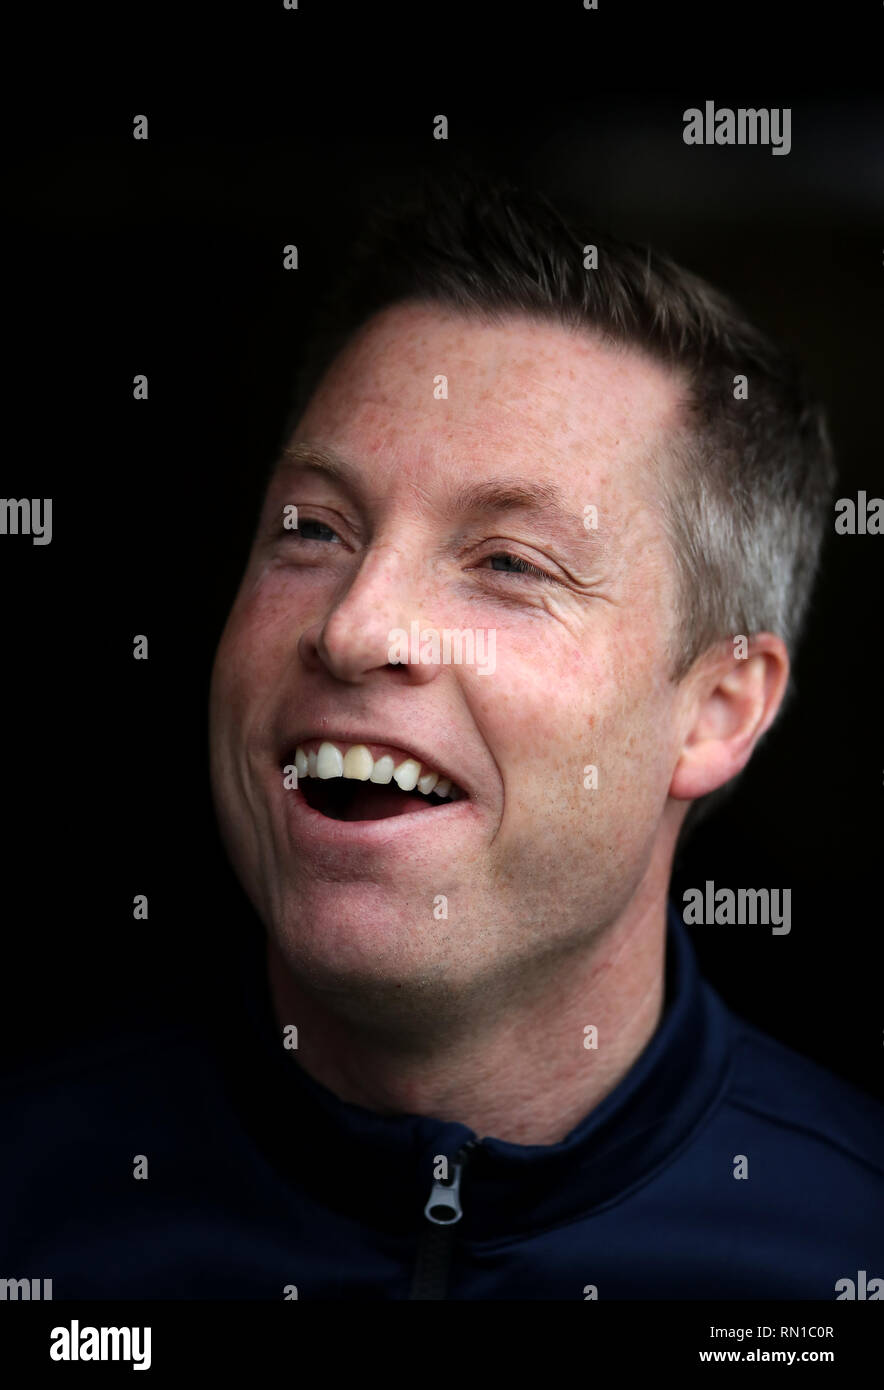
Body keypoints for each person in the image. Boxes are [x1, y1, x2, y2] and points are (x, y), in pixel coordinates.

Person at [3, 176, 881, 1300]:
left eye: (508, 563)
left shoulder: (847, 1253)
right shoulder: (33, 1211)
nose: (354, 626)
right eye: (312, 529)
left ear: (718, 709)